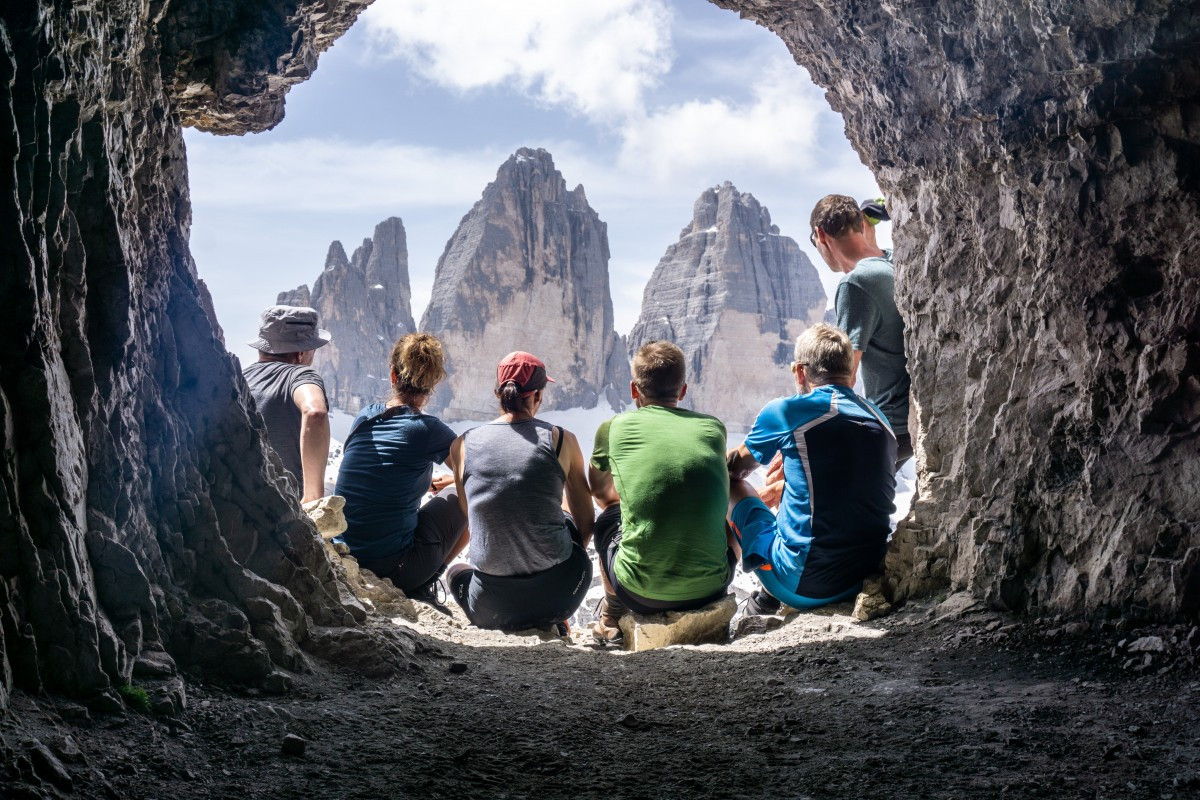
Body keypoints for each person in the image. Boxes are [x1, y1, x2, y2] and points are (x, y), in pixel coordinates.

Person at [727, 324, 896, 615]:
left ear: (800, 372)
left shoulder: (787, 412)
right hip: (863, 576)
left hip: (804, 586)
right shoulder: (880, 418)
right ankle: (764, 601)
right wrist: (787, 485)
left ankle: (718, 591)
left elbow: (733, 468)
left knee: (729, 486)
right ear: (850, 372)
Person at [588, 341, 735, 645]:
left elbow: (601, 493)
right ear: (682, 390)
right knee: (724, 515)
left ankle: (612, 615)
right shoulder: (713, 428)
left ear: (633, 390)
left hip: (640, 594)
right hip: (713, 589)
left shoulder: (612, 428)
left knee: (606, 519)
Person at [445, 352, 593, 633]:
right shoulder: (562, 440)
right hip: (562, 596)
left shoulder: (462, 444)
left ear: (497, 393)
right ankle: (551, 618)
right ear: (537, 395)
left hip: (490, 608)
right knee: (566, 516)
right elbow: (586, 523)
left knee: (455, 572)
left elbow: (470, 516)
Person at [336, 333, 467, 609]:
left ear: (393, 376)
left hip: (345, 555)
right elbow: (479, 475)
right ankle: (425, 582)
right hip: (394, 569)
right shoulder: (429, 429)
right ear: (432, 385)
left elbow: (381, 471)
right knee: (466, 496)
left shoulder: (364, 416)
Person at [809, 193, 912, 472]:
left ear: (821, 234)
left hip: (891, 427)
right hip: (910, 421)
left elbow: (843, 375)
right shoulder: (893, 262)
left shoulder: (855, 285)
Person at [243, 305, 331, 502]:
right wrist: (313, 499)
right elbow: (315, 412)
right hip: (283, 512)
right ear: (301, 353)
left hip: (238, 505)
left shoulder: (240, 377)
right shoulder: (299, 374)